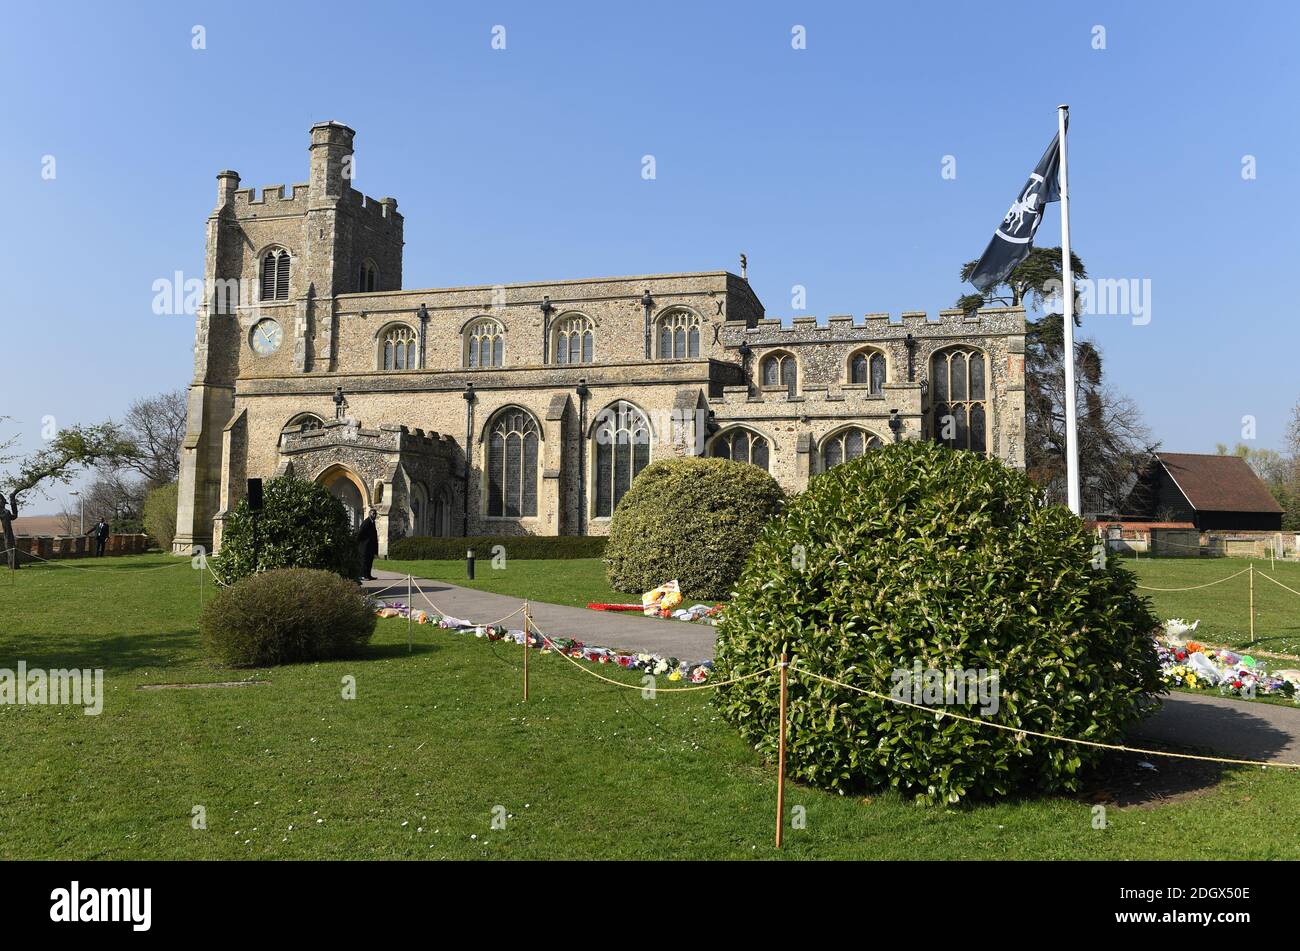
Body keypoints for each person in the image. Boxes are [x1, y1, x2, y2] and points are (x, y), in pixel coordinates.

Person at [356, 508, 379, 581]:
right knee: (364, 561)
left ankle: (368, 575)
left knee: (369, 561)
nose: (374, 515)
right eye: (373, 514)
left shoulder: (372, 522)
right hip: (364, 546)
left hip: (370, 547)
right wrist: (363, 541)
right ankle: (362, 576)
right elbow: (360, 532)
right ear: (369, 514)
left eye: (375, 514)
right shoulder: (366, 522)